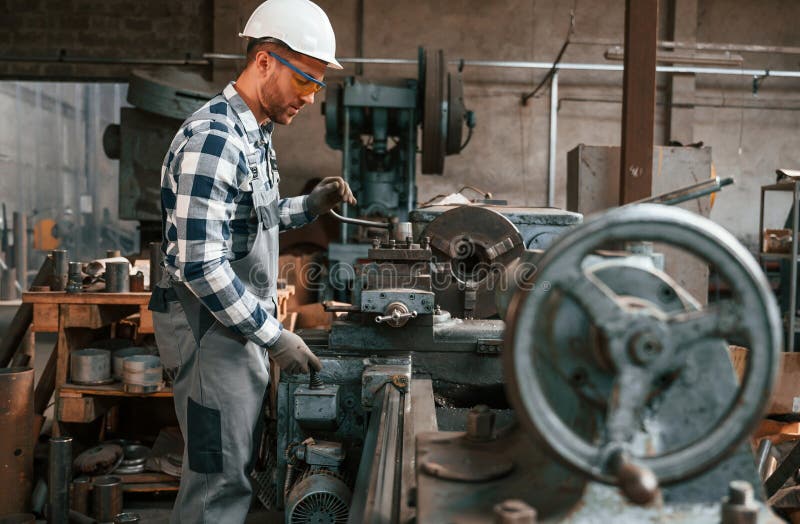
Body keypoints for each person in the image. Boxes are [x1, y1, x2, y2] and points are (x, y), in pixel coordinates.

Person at [148, 0, 355, 521]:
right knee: (217, 485)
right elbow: (200, 264)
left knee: (235, 471)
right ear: (264, 60)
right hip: (208, 332)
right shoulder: (216, 138)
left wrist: (310, 205)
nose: (310, 98)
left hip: (232, 326)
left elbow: (249, 217)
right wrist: (275, 335)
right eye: (306, 81)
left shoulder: (254, 133)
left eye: (317, 86)